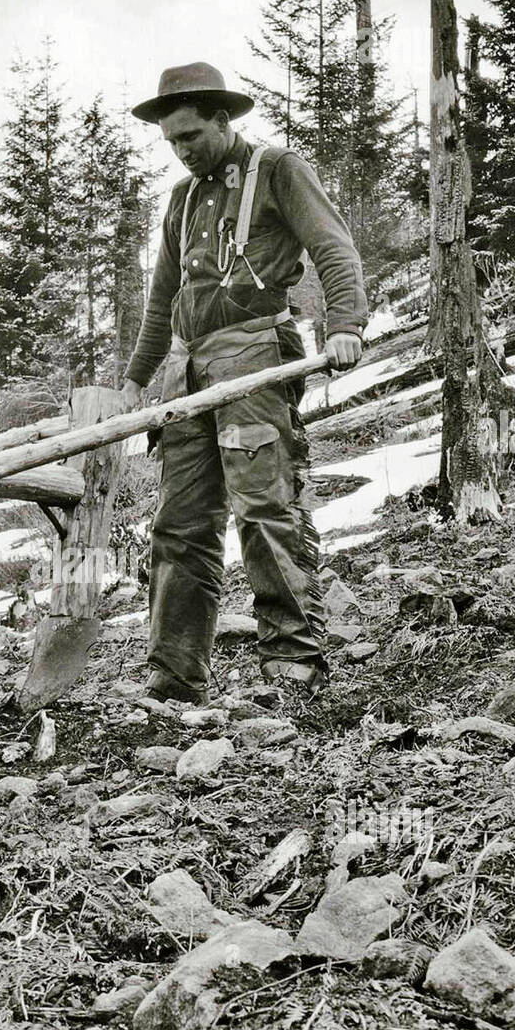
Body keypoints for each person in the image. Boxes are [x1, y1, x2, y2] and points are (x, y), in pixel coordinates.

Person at [121, 61, 368, 706]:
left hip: (256, 360)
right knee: (179, 526)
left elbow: (335, 248)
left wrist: (344, 325)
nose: (181, 151)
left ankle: (292, 667)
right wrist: (133, 383)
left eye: (191, 137)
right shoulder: (182, 199)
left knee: (264, 509)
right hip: (188, 375)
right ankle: (174, 679)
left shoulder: (280, 170)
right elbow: (160, 301)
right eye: (171, 141)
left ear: (224, 121)